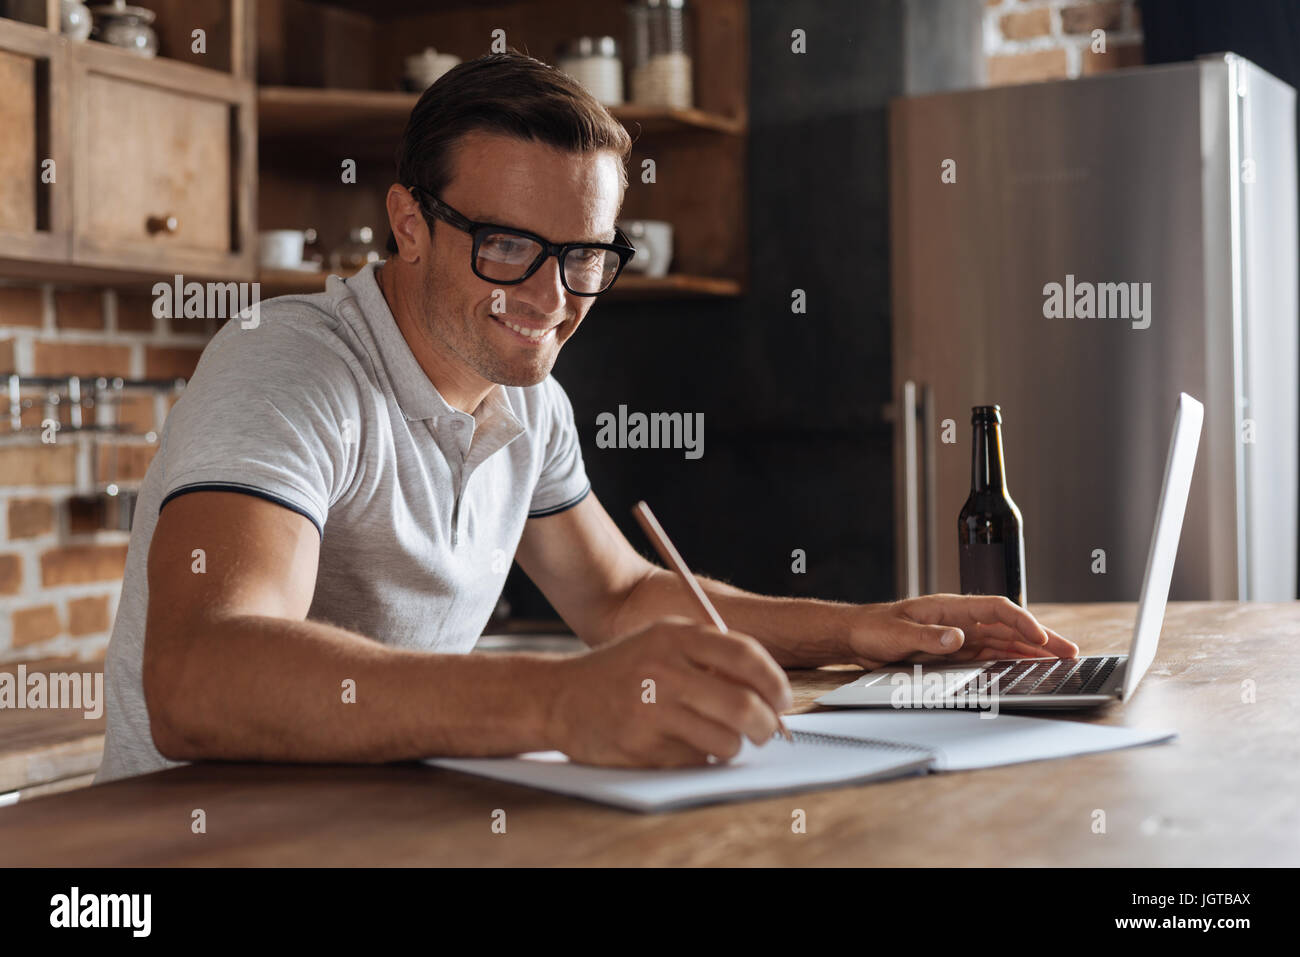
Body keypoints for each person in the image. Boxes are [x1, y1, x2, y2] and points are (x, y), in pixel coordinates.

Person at [95, 52, 1076, 784]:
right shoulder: (290, 364)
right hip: (208, 842)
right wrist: (557, 699)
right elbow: (198, 677)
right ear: (406, 222)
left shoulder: (530, 400)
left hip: (380, 820)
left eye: (585, 256)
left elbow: (619, 599)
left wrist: (864, 629)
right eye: (509, 245)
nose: (552, 296)